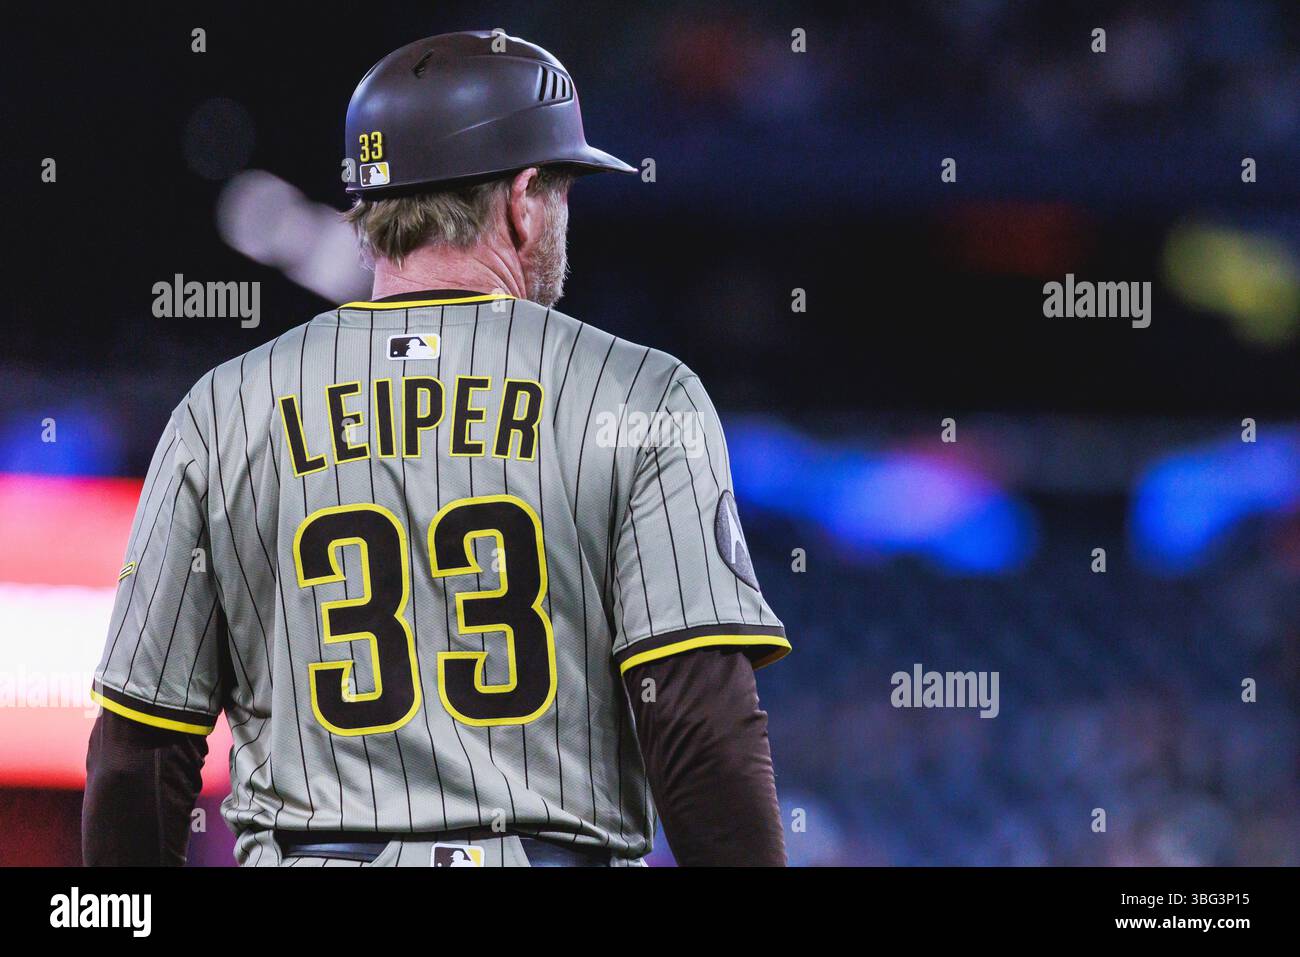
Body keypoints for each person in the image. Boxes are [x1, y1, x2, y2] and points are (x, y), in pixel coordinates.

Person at [83, 30, 789, 867]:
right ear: (525, 200)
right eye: (561, 189)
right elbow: (697, 722)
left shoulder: (222, 410)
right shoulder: (635, 395)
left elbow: (137, 752)